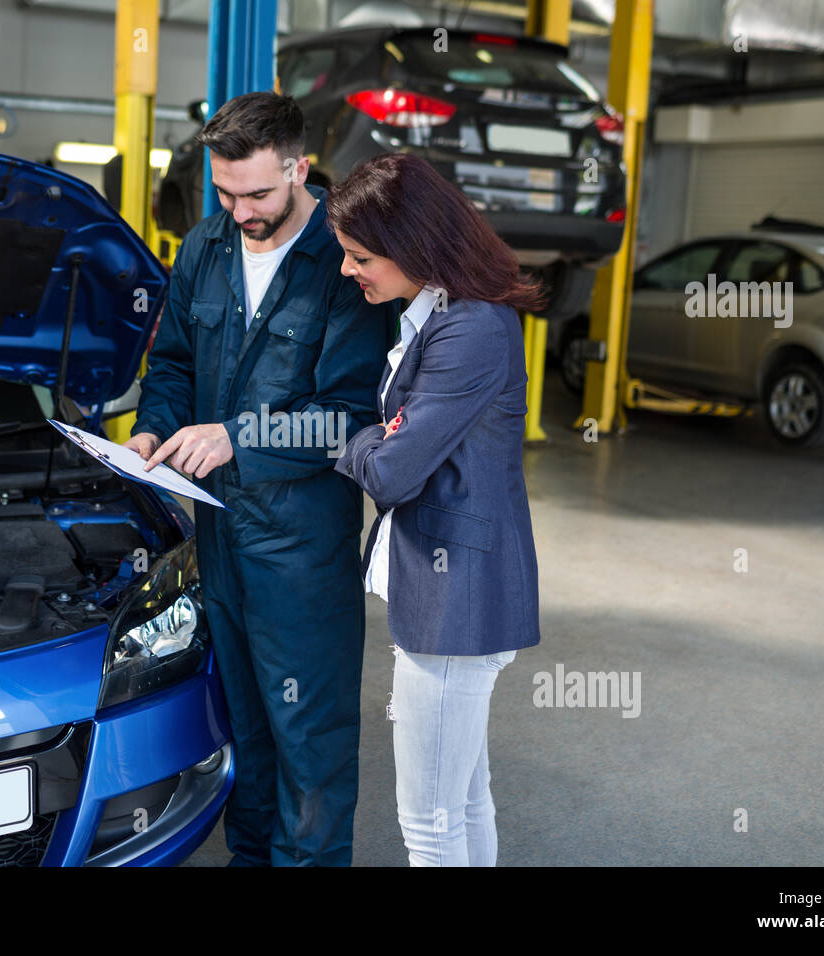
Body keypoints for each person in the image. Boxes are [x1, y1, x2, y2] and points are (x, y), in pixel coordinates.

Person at [123, 92, 394, 865]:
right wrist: (154, 423)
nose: (241, 211)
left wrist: (236, 437)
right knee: (242, 725)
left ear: (299, 169)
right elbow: (172, 361)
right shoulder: (204, 246)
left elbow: (345, 416)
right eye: (225, 192)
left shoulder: (346, 264)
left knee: (309, 740)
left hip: (300, 549)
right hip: (220, 537)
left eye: (258, 194)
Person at [327, 152, 544, 867]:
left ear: (413, 244)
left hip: (458, 602)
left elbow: (391, 470)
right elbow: (401, 453)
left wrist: (363, 440)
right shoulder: (438, 314)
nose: (347, 270)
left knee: (428, 822)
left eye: (361, 256)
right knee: (465, 802)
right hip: (450, 591)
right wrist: (387, 440)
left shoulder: (470, 328)